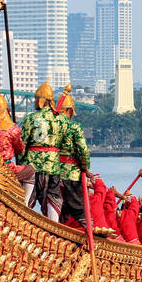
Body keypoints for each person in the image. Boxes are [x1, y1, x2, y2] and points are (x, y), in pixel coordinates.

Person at [18, 81, 63, 218]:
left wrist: (20, 163)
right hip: (53, 166)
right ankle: (54, 227)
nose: (34, 102)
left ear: (42, 100)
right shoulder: (60, 120)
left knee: (25, 199)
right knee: (53, 198)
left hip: (33, 166)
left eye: (36, 99)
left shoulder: (30, 119)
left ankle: (22, 220)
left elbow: (23, 144)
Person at [0, 92, 35, 197]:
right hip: (6, 168)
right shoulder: (13, 129)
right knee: (30, 171)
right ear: (6, 111)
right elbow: (20, 150)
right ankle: (25, 205)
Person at [53, 88, 92, 230]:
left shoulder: (52, 125)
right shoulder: (74, 126)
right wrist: (85, 167)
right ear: (69, 111)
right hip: (71, 174)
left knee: (56, 208)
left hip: (53, 172)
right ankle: (91, 232)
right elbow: (83, 150)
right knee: (79, 208)